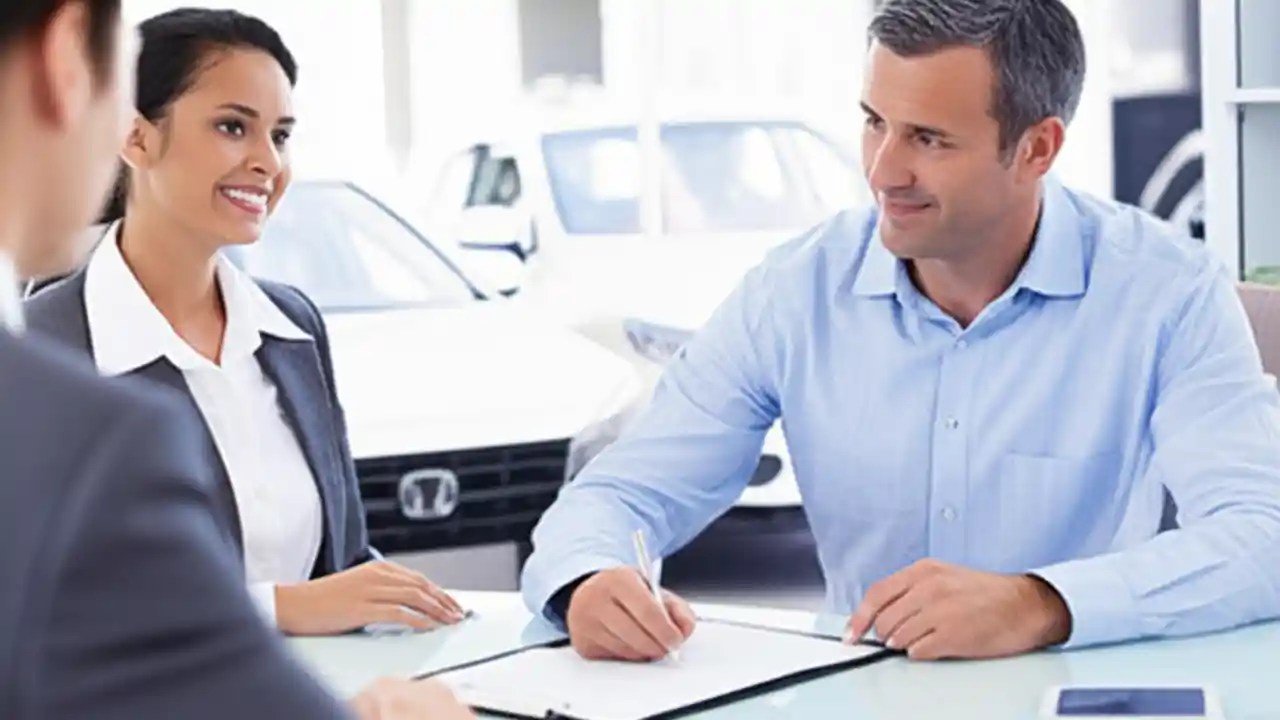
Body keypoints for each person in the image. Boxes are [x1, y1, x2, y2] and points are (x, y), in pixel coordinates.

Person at [522, 0, 1280, 663]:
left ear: (1037, 148)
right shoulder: (794, 293)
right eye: (874, 122)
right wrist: (589, 579)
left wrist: (1043, 603)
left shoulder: (1167, 293)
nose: (883, 170)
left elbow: (1263, 538)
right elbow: (621, 494)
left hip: (1077, 694)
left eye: (929, 139)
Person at [0, 1, 472, 718]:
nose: (268, 162)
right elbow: (68, 611)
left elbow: (339, 561)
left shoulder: (293, 328)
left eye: (280, 134)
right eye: (232, 126)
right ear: (134, 135)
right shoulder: (43, 354)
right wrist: (284, 608)